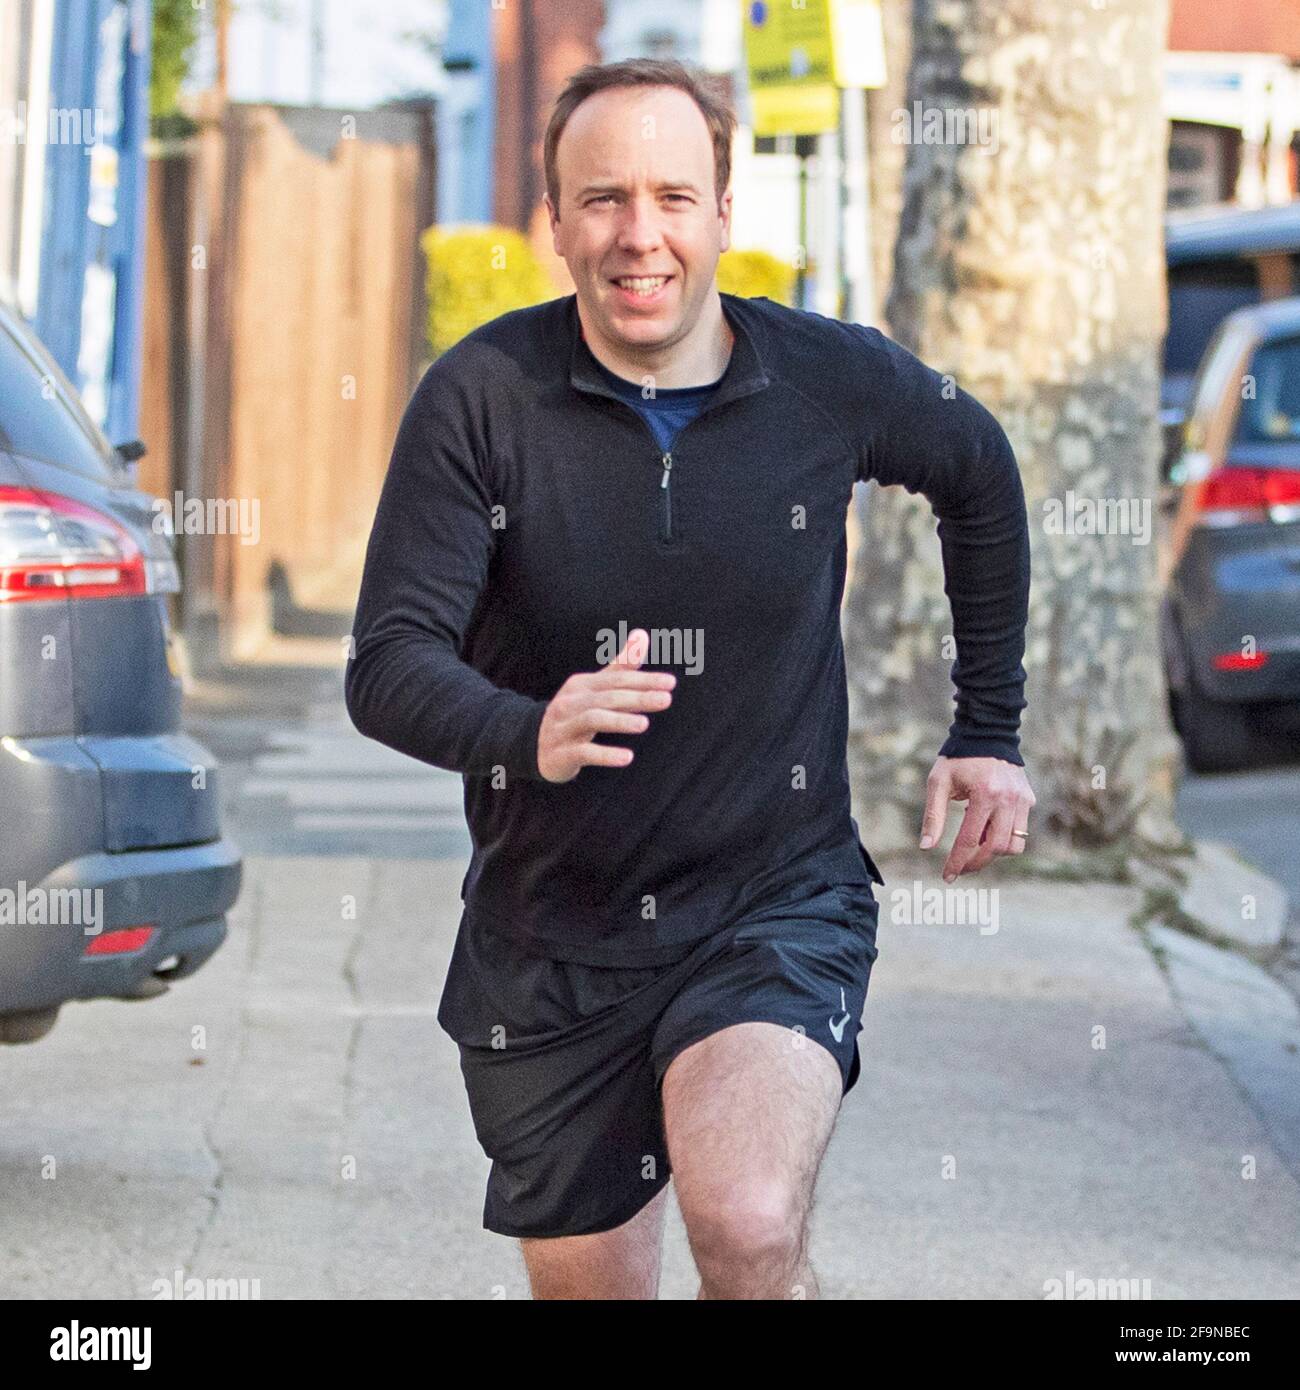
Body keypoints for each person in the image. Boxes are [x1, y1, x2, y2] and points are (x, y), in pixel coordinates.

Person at [345, 57, 1035, 1300]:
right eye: (602, 199)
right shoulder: (481, 400)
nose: (639, 234)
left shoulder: (827, 381)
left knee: (749, 1218)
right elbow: (387, 665)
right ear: (553, 223)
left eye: (674, 195)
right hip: (548, 934)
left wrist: (988, 727)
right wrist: (528, 728)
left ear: (725, 211)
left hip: (770, 895)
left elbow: (977, 472)